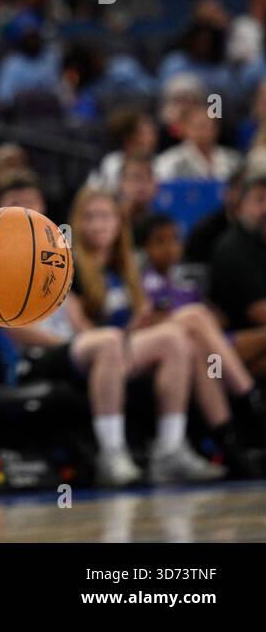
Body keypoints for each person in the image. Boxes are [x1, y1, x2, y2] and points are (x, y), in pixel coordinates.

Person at [63, 189, 224, 483]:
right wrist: (122, 340)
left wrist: (141, 326)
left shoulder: (127, 268)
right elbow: (78, 326)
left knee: (175, 337)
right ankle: (111, 454)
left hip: (122, 347)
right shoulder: (67, 264)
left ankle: (170, 448)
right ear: (77, 223)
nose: (99, 224)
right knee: (110, 340)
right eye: (90, 217)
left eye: (106, 216)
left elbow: (136, 326)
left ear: (118, 222)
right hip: (81, 350)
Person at [137, 214, 265, 474]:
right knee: (194, 321)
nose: (169, 247)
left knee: (197, 348)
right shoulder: (144, 282)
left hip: (205, 353)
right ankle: (252, 402)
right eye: (159, 241)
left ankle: (230, 443)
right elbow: (145, 321)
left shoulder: (186, 282)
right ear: (145, 248)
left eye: (174, 240)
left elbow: (218, 318)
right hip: (158, 349)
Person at [208, 165, 266, 379]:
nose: (265, 209)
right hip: (219, 351)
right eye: (259, 200)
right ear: (241, 207)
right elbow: (259, 312)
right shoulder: (232, 247)